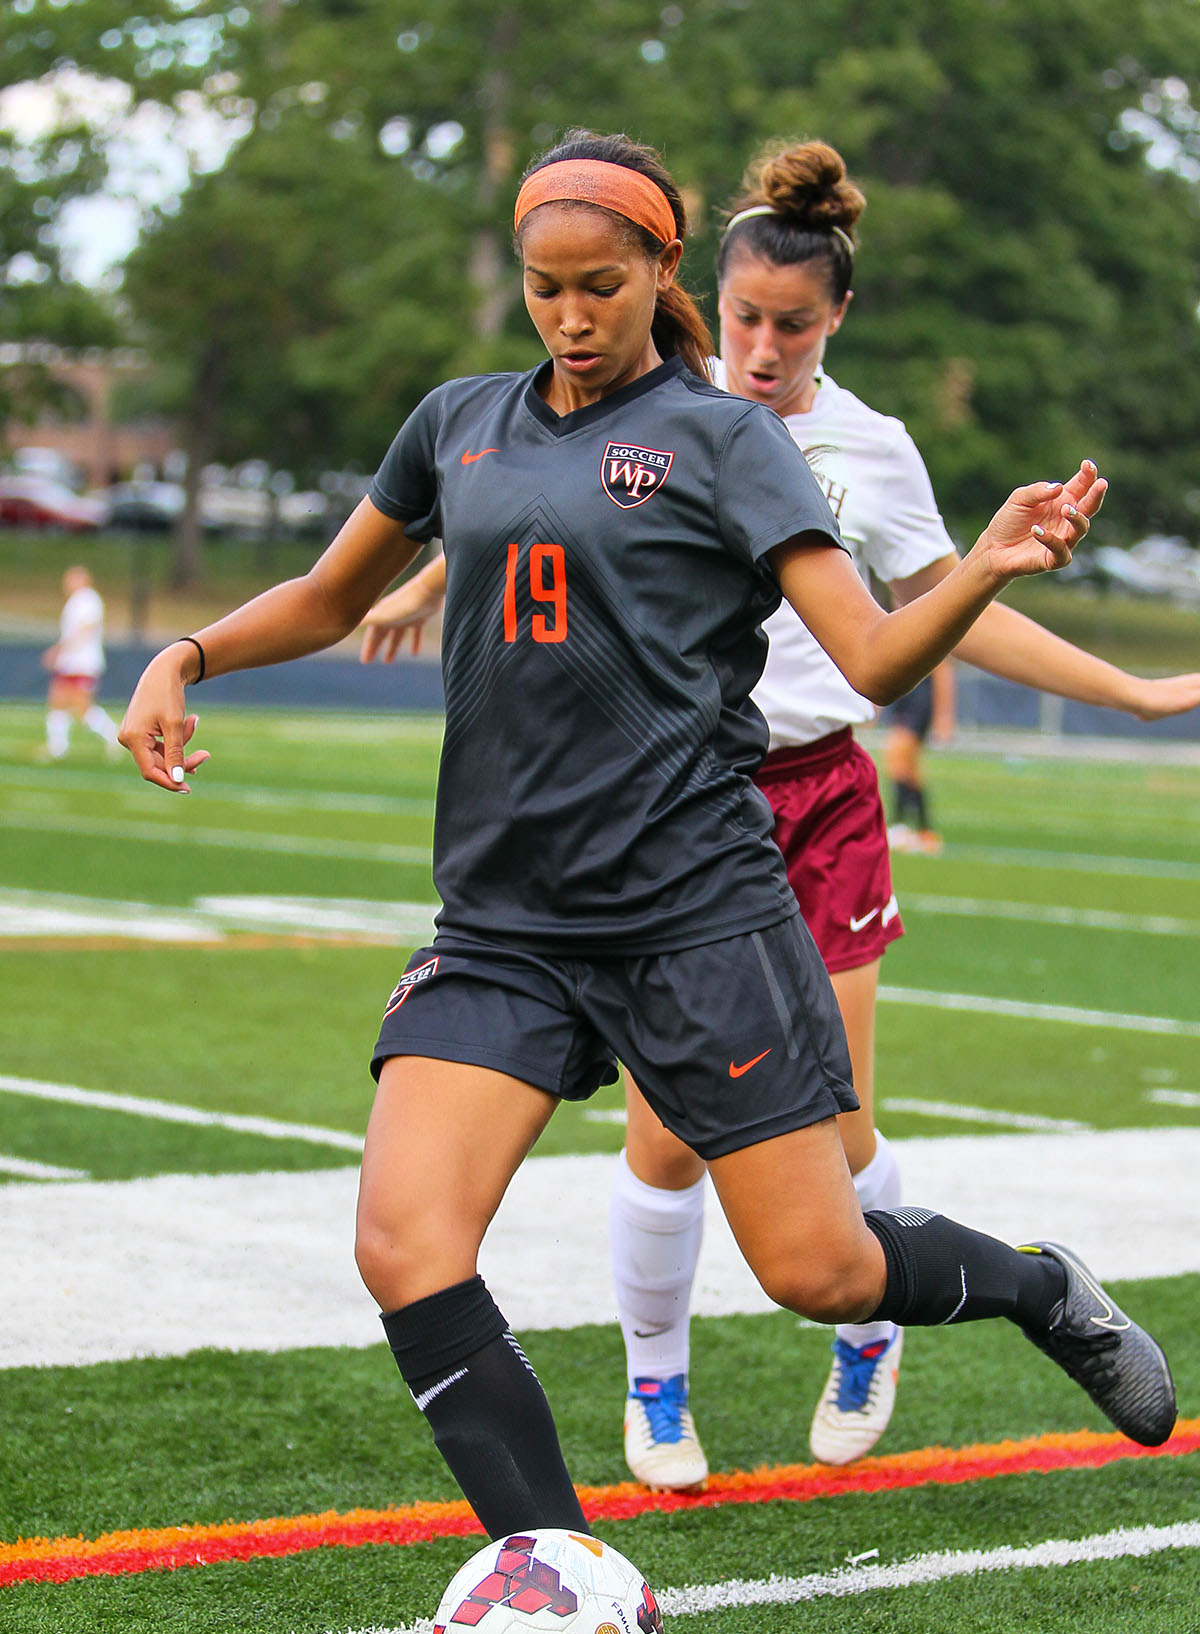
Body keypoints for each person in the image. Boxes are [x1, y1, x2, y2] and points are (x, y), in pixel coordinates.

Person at [119, 132, 1174, 1634]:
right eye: (544, 289)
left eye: (600, 287)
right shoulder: (459, 425)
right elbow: (336, 597)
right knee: (405, 1243)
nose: (568, 316)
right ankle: (560, 1588)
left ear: (663, 274)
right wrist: (187, 653)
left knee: (824, 1271)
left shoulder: (720, 439)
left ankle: (1037, 1291)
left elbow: (877, 659)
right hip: (506, 924)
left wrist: (991, 569)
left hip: (694, 915)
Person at [363, 138, 1200, 1492]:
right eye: (745, 319)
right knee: (616, 1158)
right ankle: (645, 1406)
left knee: (831, 1195)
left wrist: (1135, 690)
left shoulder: (842, 447)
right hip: (582, 850)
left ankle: (932, 1309)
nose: (760, 346)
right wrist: (403, 587)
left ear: (835, 320)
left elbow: (912, 633)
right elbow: (525, 511)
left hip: (781, 816)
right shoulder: (620, 400)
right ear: (711, 299)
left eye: (791, 325)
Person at [41, 565, 122, 761]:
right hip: (70, 662)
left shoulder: (88, 599)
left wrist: (61, 649)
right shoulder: (75, 601)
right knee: (57, 701)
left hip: (83, 662)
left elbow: (86, 628)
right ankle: (57, 747)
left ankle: (115, 736)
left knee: (82, 707)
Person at [884, 668, 955, 853]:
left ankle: (901, 825)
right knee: (907, 767)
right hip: (903, 696)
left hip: (920, 698)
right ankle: (924, 831)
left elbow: (943, 671)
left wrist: (944, 715)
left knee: (898, 756)